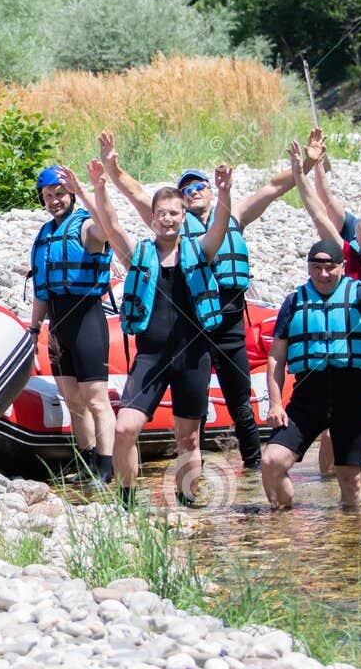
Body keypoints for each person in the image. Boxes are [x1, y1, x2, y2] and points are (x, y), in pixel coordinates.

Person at [97, 130, 296, 469]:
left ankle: (251, 467)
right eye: (186, 190)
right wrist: (111, 170)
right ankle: (193, 468)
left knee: (240, 402)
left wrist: (304, 165)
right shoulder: (170, 223)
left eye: (199, 186)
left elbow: (272, 189)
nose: (194, 192)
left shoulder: (229, 216)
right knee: (194, 409)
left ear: (209, 189)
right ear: (179, 202)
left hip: (228, 320)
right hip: (192, 327)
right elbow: (133, 196)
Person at [83, 160, 232, 506]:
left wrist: (224, 192)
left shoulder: (200, 251)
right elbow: (111, 224)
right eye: (161, 213)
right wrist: (99, 187)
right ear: (152, 219)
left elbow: (220, 228)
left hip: (194, 357)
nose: (167, 219)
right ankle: (127, 500)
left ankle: (187, 502)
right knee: (124, 428)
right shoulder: (139, 255)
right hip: (151, 357)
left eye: (174, 213)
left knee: (189, 440)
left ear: (184, 218)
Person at [260, 239, 361, 509]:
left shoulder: (360, 295)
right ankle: (284, 521)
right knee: (271, 462)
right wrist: (275, 403)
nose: (323, 274)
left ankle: (352, 543)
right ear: (308, 268)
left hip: (351, 398)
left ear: (343, 268)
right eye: (316, 267)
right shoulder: (294, 301)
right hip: (307, 400)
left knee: (350, 481)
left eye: (330, 267)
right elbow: (276, 355)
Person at [292, 132, 361, 469]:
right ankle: (328, 494)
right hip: (348, 360)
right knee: (330, 434)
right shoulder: (347, 260)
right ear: (355, 240)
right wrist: (301, 174)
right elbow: (319, 212)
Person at [29, 164, 116, 483]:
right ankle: (88, 461)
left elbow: (108, 228)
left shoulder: (86, 227)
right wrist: (35, 327)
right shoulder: (45, 235)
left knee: (95, 398)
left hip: (87, 321)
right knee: (73, 399)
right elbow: (42, 287)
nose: (54, 200)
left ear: (71, 195)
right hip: (58, 325)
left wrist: (84, 191)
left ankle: (106, 468)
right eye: (49, 196)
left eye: (60, 194)